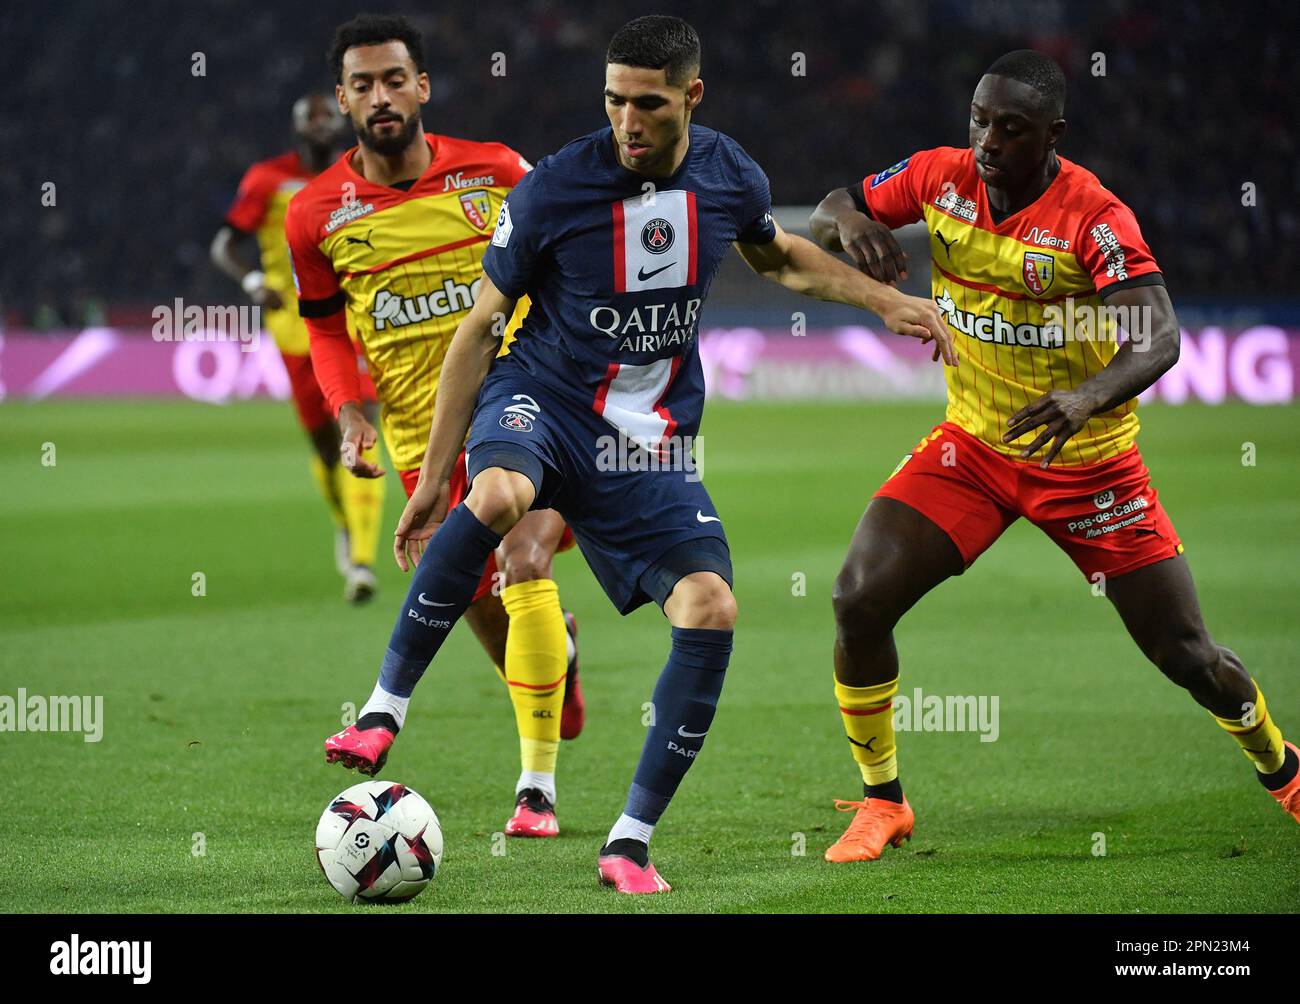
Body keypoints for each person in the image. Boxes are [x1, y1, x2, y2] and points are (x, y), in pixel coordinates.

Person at [377, 15, 954, 893]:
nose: (628, 123)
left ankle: (629, 841)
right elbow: (478, 330)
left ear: (691, 96)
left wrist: (881, 301)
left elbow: (783, 258)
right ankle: (383, 713)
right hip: (543, 398)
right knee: (494, 498)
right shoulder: (555, 188)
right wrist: (429, 480)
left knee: (711, 606)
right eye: (613, 102)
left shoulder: (727, 174)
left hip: (646, 446)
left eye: (647, 104)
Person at [809, 49, 1299, 864]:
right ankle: (883, 802)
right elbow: (832, 205)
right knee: (858, 599)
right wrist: (851, 222)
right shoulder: (939, 176)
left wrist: (1083, 399)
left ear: (1052, 135)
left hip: (1090, 465)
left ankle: (1281, 768)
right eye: (980, 121)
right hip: (974, 442)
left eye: (1012, 128)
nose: (989, 141)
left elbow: (1161, 338)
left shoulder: (1094, 218)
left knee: (1187, 656)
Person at [285, 14, 585, 840]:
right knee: (487, 609)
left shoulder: (496, 172)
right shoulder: (316, 215)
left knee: (521, 559)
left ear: (421, 86)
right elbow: (324, 328)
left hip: (539, 410)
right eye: (362, 85)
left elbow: (568, 265)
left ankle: (536, 795)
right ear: (342, 99)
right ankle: (551, 659)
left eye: (393, 79)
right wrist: (351, 412)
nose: (380, 97)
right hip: (426, 440)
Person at [211, 95, 385, 603]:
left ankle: (362, 561)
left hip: (354, 324)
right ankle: (345, 523)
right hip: (294, 330)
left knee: (361, 426)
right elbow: (224, 244)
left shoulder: (364, 173)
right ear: (295, 127)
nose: (319, 124)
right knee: (324, 448)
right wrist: (250, 282)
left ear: (341, 121)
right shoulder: (268, 179)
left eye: (326, 116)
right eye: (309, 118)